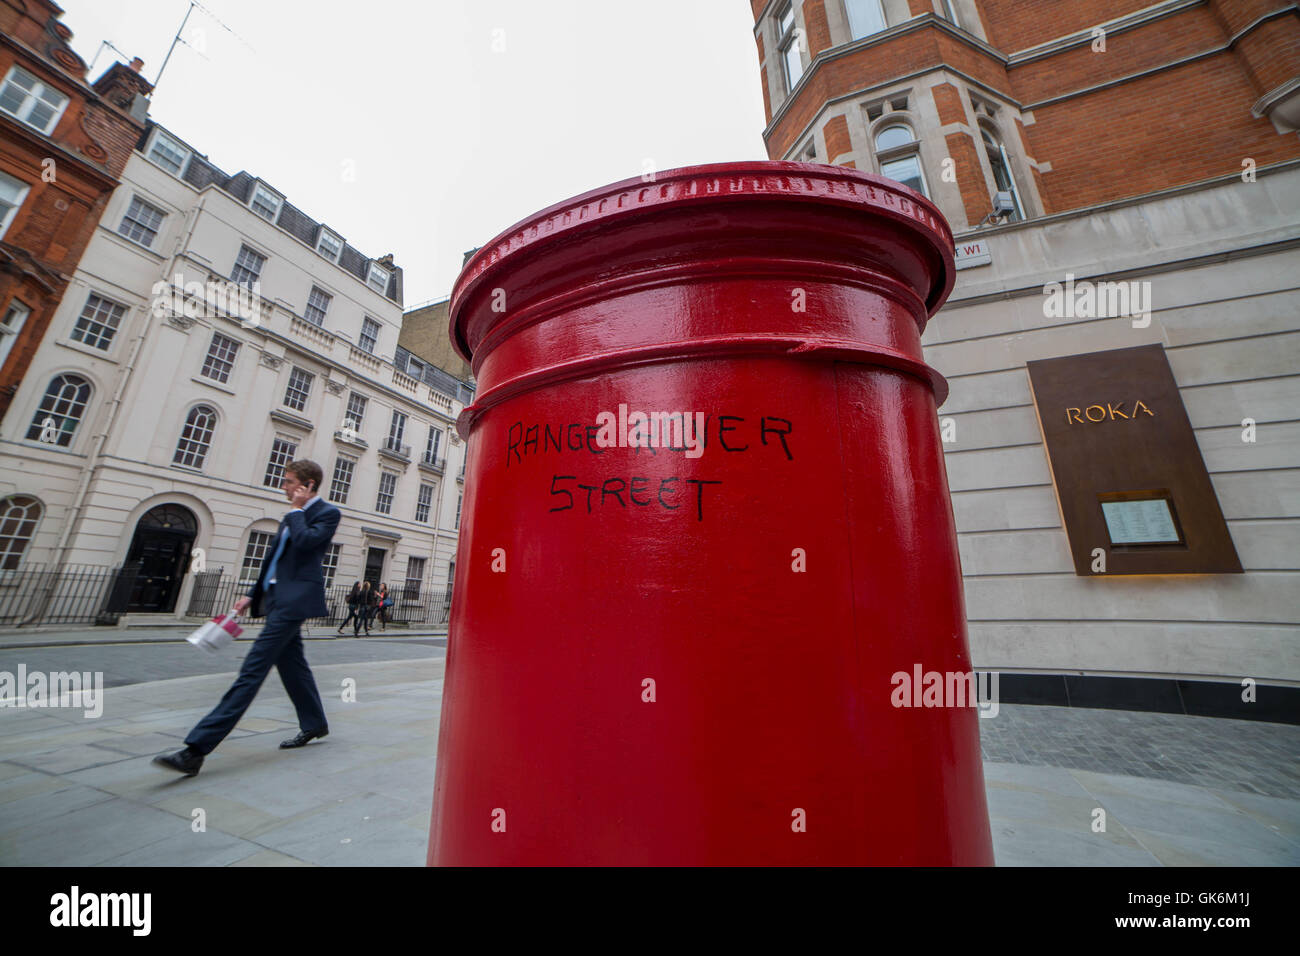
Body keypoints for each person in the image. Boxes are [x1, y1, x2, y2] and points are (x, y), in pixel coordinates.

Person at [153, 460, 339, 776]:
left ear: (306, 485)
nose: (284, 486)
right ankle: (315, 723)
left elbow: (308, 543)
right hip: (277, 599)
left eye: (290, 481)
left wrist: (297, 511)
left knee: (251, 671)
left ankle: (196, 750)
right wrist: (252, 594)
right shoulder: (290, 516)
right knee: (293, 666)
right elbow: (274, 560)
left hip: (294, 603)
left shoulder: (326, 514)